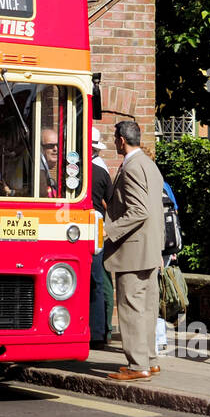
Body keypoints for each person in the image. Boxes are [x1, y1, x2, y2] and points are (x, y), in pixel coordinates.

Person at [102, 120, 165, 381]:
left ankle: (137, 365)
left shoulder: (132, 168)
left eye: (115, 138)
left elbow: (140, 211)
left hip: (134, 250)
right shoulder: (150, 165)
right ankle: (149, 361)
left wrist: (110, 230)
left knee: (130, 307)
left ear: (120, 140)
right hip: (150, 249)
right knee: (147, 308)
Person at [89, 148, 113, 348]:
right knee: (97, 282)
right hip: (96, 230)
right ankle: (98, 333)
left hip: (73, 229)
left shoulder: (68, 170)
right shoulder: (101, 172)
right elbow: (112, 203)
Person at [40, 128, 61, 198]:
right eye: (50, 146)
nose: (56, 149)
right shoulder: (39, 172)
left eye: (58, 145)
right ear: (40, 148)